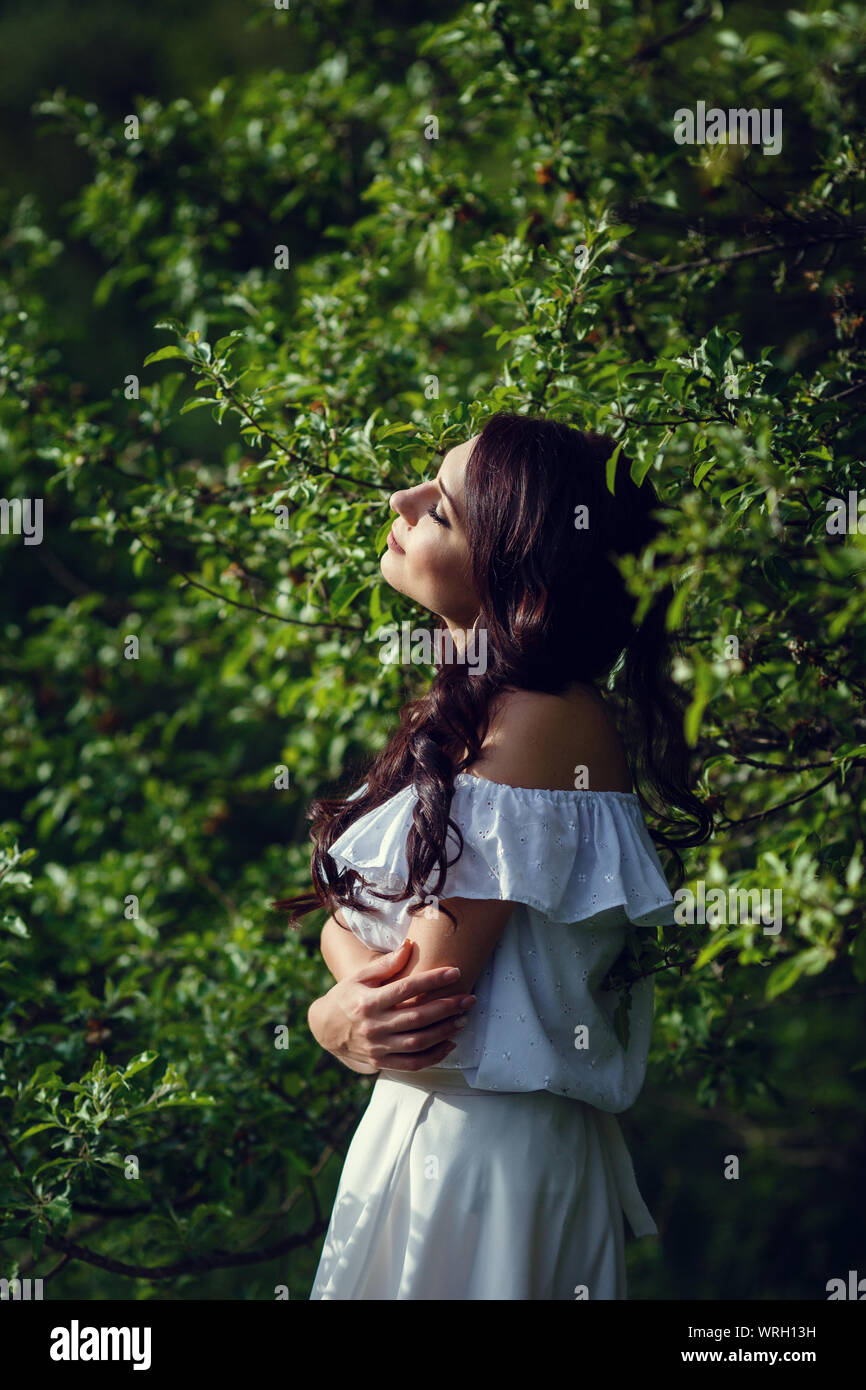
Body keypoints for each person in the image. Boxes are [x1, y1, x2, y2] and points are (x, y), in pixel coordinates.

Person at [280, 411, 712, 1299]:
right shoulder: (492, 710)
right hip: (447, 1140)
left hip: (482, 1162)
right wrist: (338, 1002)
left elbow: (412, 1005)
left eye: (440, 509)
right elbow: (368, 935)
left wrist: (337, 1011)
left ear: (526, 584)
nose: (402, 499)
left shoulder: (539, 724)